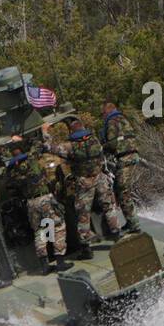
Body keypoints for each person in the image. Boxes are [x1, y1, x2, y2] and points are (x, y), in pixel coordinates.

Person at [45, 117, 121, 257]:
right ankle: (117, 235)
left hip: (84, 182)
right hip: (100, 178)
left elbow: (51, 148)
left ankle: (86, 248)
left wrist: (45, 133)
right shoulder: (95, 141)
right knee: (109, 207)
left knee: (83, 215)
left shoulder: (70, 146)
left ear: (72, 131)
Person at [3, 136, 72, 273]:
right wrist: (26, 138)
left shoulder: (11, 169)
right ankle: (60, 261)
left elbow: (9, 186)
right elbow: (37, 144)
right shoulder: (31, 157)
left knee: (40, 231)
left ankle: (44, 265)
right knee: (57, 226)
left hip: (31, 202)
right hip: (44, 198)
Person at [100, 101, 141, 232]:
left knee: (121, 191)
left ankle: (133, 224)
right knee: (124, 189)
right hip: (133, 155)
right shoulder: (123, 119)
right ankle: (132, 220)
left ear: (107, 111)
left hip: (124, 157)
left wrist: (101, 148)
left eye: (102, 114)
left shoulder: (112, 122)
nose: (102, 117)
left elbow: (112, 144)